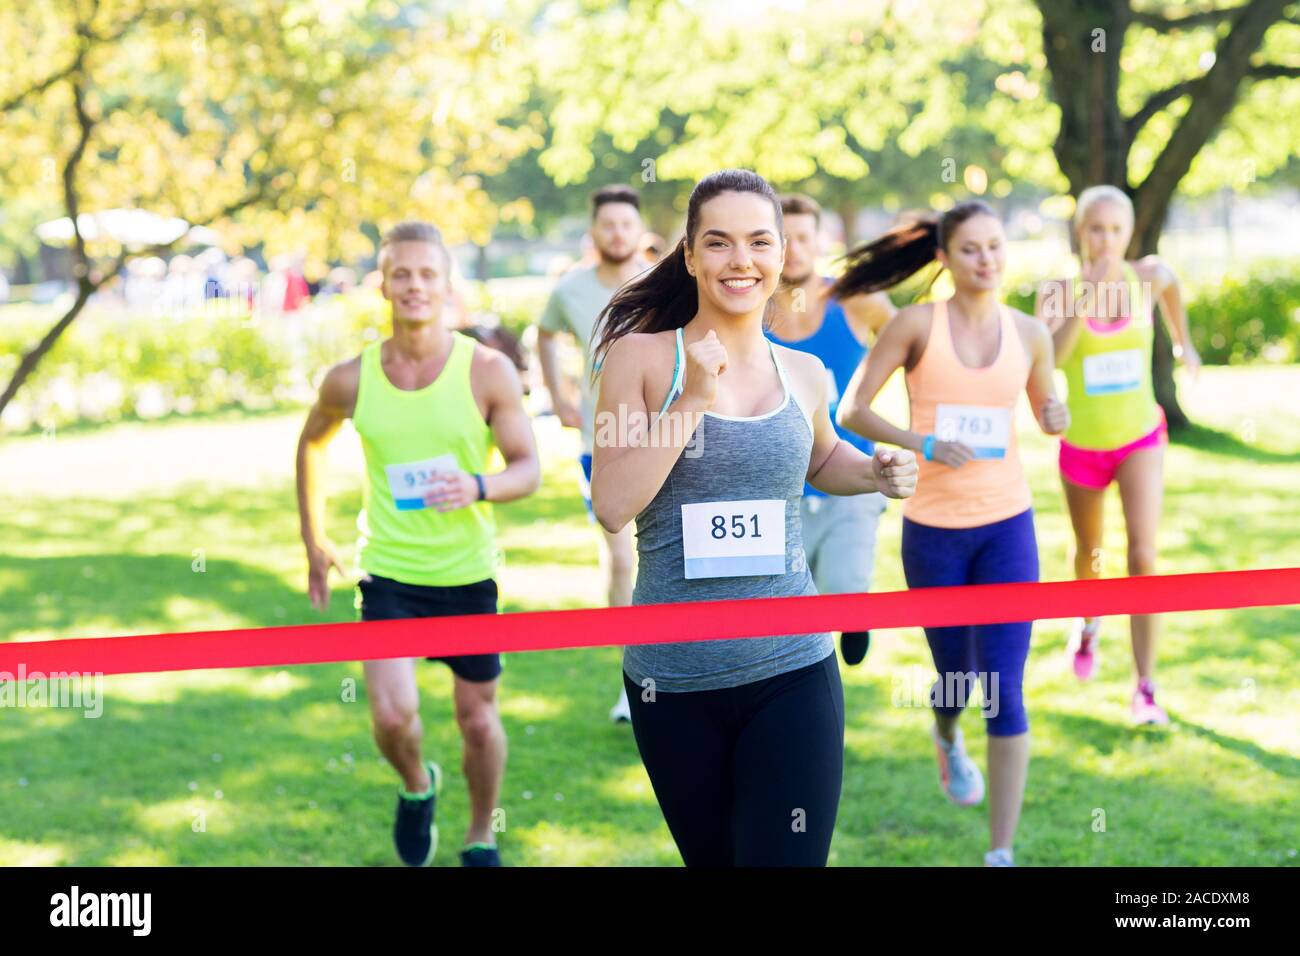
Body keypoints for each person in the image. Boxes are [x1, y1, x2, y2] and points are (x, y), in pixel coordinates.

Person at [590, 169, 917, 867]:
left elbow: (824, 460)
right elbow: (613, 505)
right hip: (673, 679)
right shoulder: (641, 359)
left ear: (780, 255)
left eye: (759, 242)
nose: (742, 260)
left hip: (792, 665)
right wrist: (691, 401)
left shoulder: (803, 373)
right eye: (719, 243)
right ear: (689, 255)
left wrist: (877, 472)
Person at [296, 221, 540, 867]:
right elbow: (309, 445)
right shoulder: (350, 379)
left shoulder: (487, 370)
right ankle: (416, 786)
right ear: (382, 283)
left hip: (465, 574)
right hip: (389, 574)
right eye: (401, 273)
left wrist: (477, 485)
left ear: (447, 285)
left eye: (427, 274)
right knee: (393, 718)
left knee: (477, 721)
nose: (414, 286)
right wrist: (313, 538)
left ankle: (480, 832)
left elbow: (528, 469)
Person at [837, 200, 1070, 868]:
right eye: (970, 248)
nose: (986, 259)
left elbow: (1049, 418)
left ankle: (1001, 852)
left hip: (1007, 528)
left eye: (996, 246)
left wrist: (1057, 411)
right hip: (934, 532)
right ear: (944, 256)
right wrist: (923, 441)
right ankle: (946, 736)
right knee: (958, 679)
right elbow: (852, 408)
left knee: (1006, 686)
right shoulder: (915, 325)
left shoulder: (1030, 333)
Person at [1035, 186, 1200, 724]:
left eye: (1115, 230)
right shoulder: (1058, 291)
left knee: (1143, 556)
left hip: (1139, 439)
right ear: (1080, 233)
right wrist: (1087, 296)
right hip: (1082, 446)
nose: (1105, 241)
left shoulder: (1146, 277)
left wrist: (1183, 342)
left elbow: (1172, 287)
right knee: (1090, 554)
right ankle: (1087, 624)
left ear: (1130, 233)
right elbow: (1054, 358)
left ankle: (1145, 686)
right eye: (1095, 230)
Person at [765, 194, 896, 666]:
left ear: (820, 240)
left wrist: (870, 397)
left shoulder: (856, 300)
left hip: (850, 465)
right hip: (782, 478)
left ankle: (854, 613)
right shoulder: (752, 309)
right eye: (784, 239)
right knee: (792, 615)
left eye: (804, 237)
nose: (795, 249)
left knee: (844, 585)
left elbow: (909, 342)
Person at [537, 185, 648, 723]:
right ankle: (632, 680)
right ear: (594, 231)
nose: (617, 234)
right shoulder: (572, 288)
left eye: (626, 224)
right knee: (621, 556)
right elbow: (544, 334)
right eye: (608, 225)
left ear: (640, 230)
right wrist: (558, 397)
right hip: (599, 441)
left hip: (668, 437)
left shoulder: (663, 281)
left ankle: (686, 669)